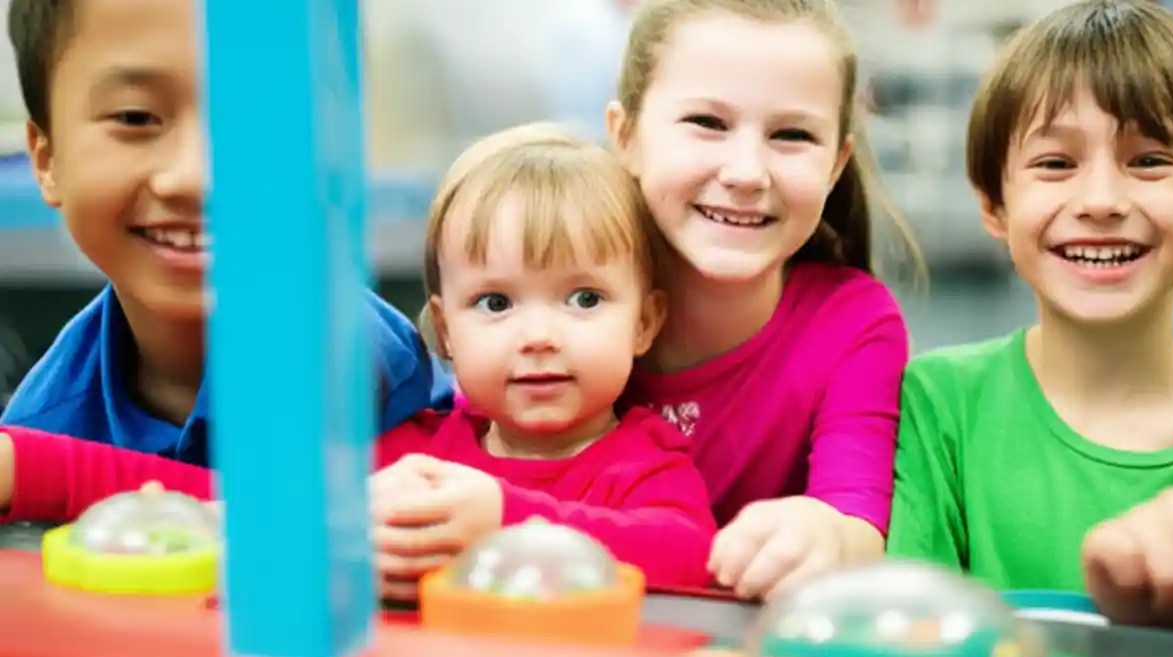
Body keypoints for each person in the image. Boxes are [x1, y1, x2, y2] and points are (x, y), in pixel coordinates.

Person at [0, 124, 717, 597]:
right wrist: (24, 466)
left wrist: (501, 515)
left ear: (646, 321)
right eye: (496, 304)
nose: (539, 336)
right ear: (445, 329)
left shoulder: (647, 467)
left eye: (584, 299)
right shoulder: (404, 454)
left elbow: (691, 561)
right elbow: (224, 499)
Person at [886, 0, 1173, 637]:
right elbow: (907, 654)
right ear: (994, 204)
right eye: (1055, 164)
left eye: (1149, 160)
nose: (1101, 201)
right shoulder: (937, 406)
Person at [0, 0, 454, 467]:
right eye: (135, 117)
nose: (196, 178)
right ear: (46, 160)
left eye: (255, 121)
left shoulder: (398, 400)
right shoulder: (37, 433)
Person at [607, 0, 921, 599]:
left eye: (792, 135)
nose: (747, 172)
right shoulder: (558, 308)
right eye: (707, 122)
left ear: (837, 164)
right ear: (626, 135)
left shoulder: (854, 324)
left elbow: (855, 522)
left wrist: (827, 533)